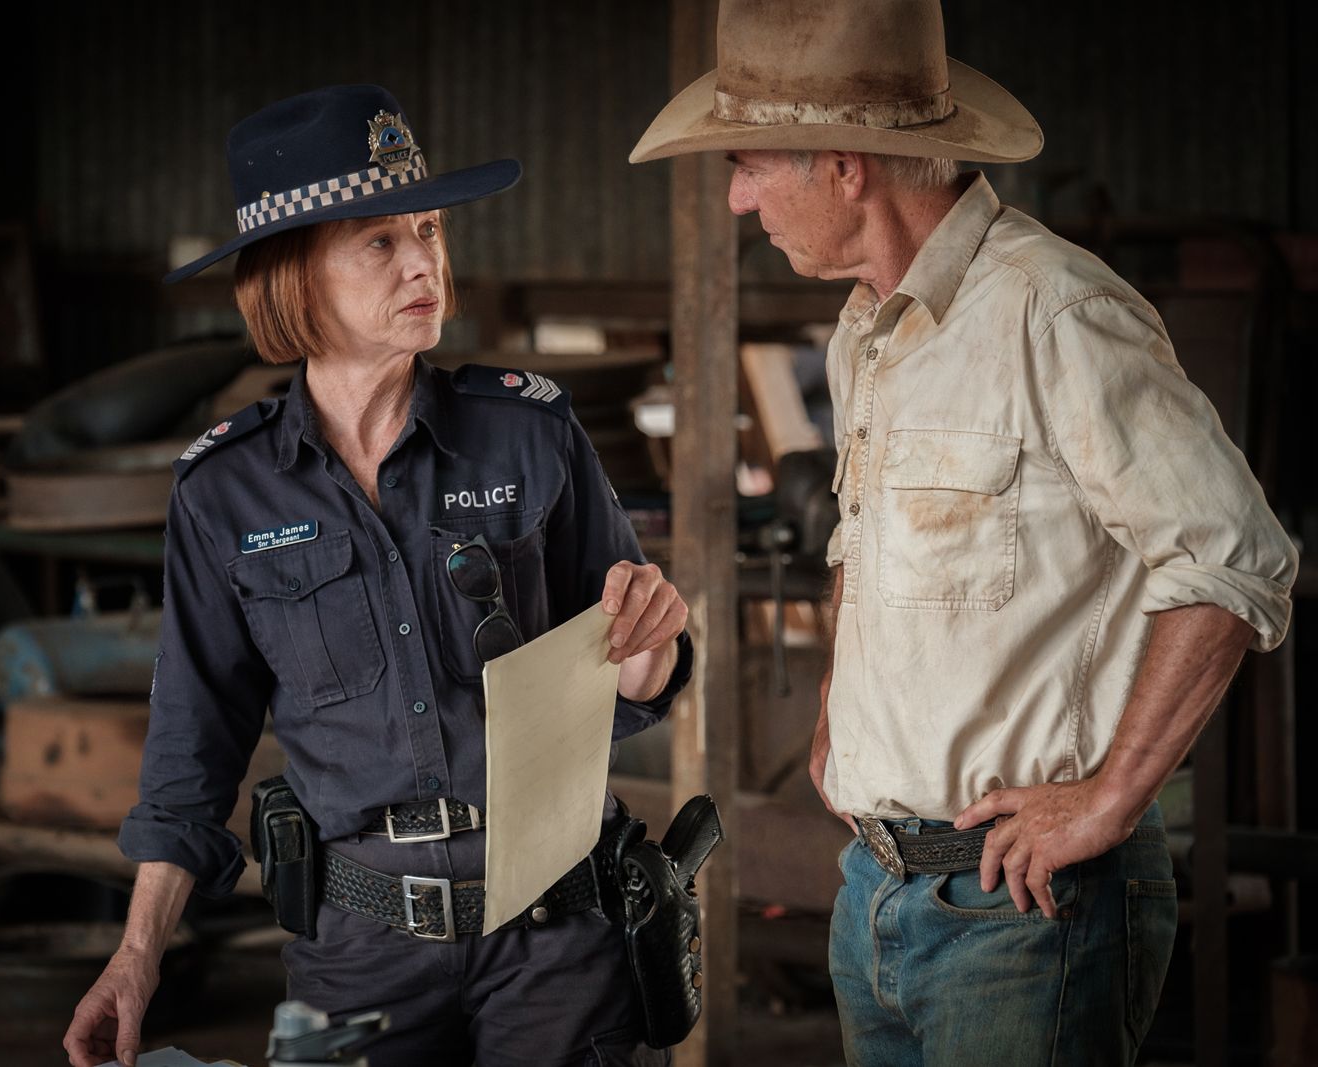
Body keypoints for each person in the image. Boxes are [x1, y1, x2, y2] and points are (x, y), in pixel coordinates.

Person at [630, 2, 1297, 1064]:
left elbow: (1233, 555)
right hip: (877, 889)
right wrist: (841, 716)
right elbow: (863, 541)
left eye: (754, 163)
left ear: (846, 163)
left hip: (1026, 906)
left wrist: (1111, 794)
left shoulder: (1055, 311)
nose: (736, 196)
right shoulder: (864, 331)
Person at [62, 84, 692, 1067]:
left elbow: (633, 671)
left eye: (430, 231)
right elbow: (193, 749)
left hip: (558, 933)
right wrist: (136, 954)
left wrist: (651, 653)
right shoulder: (224, 492)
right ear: (290, 276)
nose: (424, 264)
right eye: (380, 243)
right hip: (359, 948)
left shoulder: (529, 434)